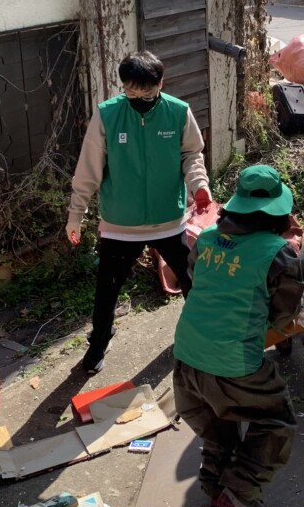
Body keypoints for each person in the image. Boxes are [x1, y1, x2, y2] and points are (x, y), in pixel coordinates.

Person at [172, 165, 303, 507]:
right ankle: (241, 490)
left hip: (184, 360)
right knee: (276, 422)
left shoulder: (209, 237)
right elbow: (283, 318)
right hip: (234, 365)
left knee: (220, 424)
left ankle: (214, 484)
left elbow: (203, 284)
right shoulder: (279, 253)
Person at [67, 51, 210, 373]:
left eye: (146, 91)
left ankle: (201, 336)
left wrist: (199, 185)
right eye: (131, 91)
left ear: (160, 83)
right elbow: (88, 169)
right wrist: (76, 214)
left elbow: (192, 154)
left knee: (192, 281)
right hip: (120, 224)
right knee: (107, 290)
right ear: (124, 86)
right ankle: (99, 344)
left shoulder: (178, 112)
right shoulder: (107, 115)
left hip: (169, 220)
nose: (139, 97)